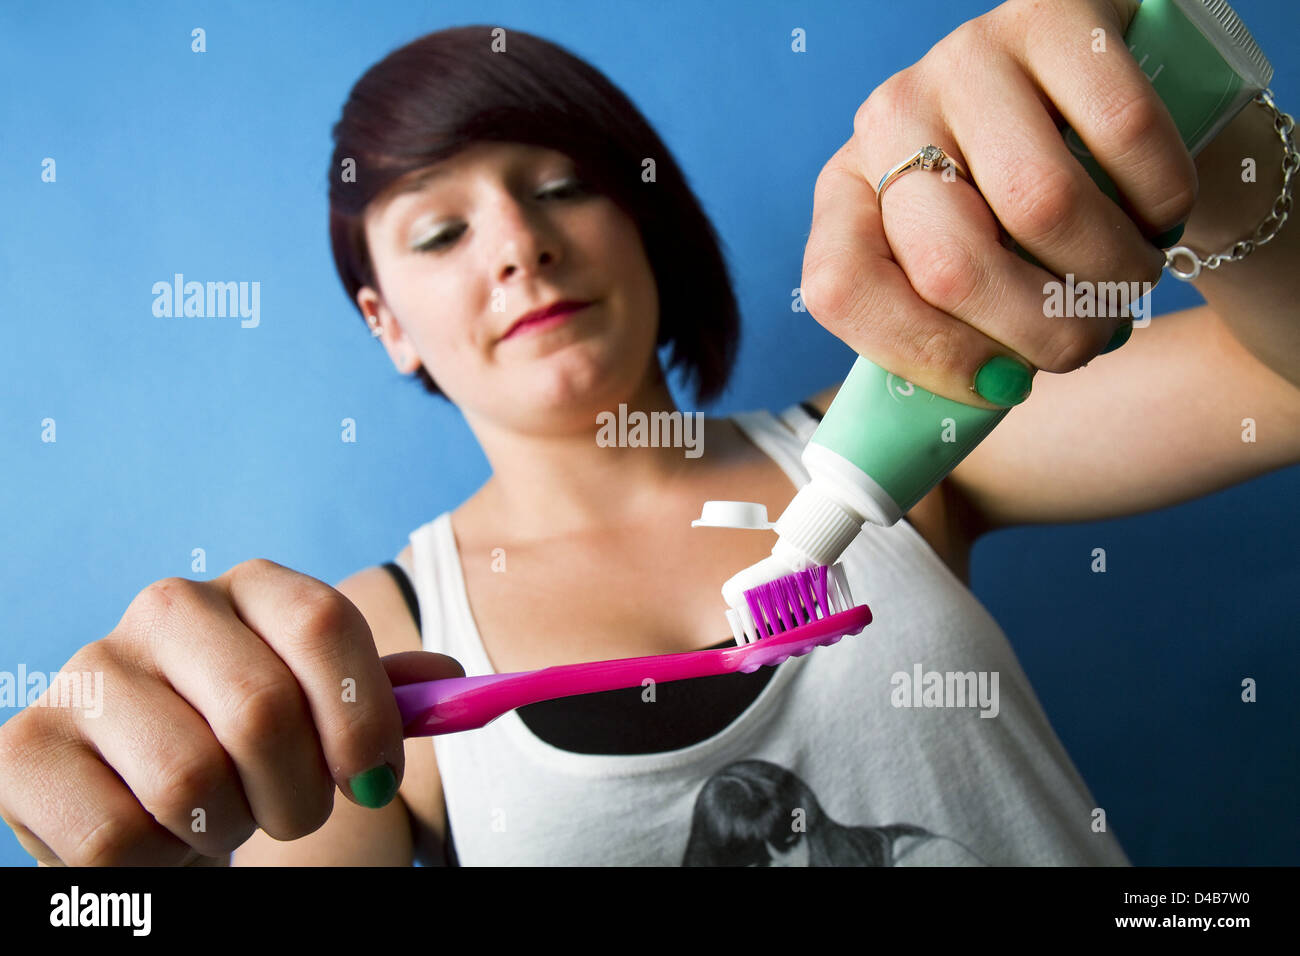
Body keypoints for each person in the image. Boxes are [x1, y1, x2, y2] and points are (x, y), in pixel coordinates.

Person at [1, 0, 1295, 866]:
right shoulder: (363, 655)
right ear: (387, 324)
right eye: (441, 232)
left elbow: (1278, 377)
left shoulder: (902, 439)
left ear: (647, 237)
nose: (519, 244)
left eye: (562, 187)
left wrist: (1219, 154)